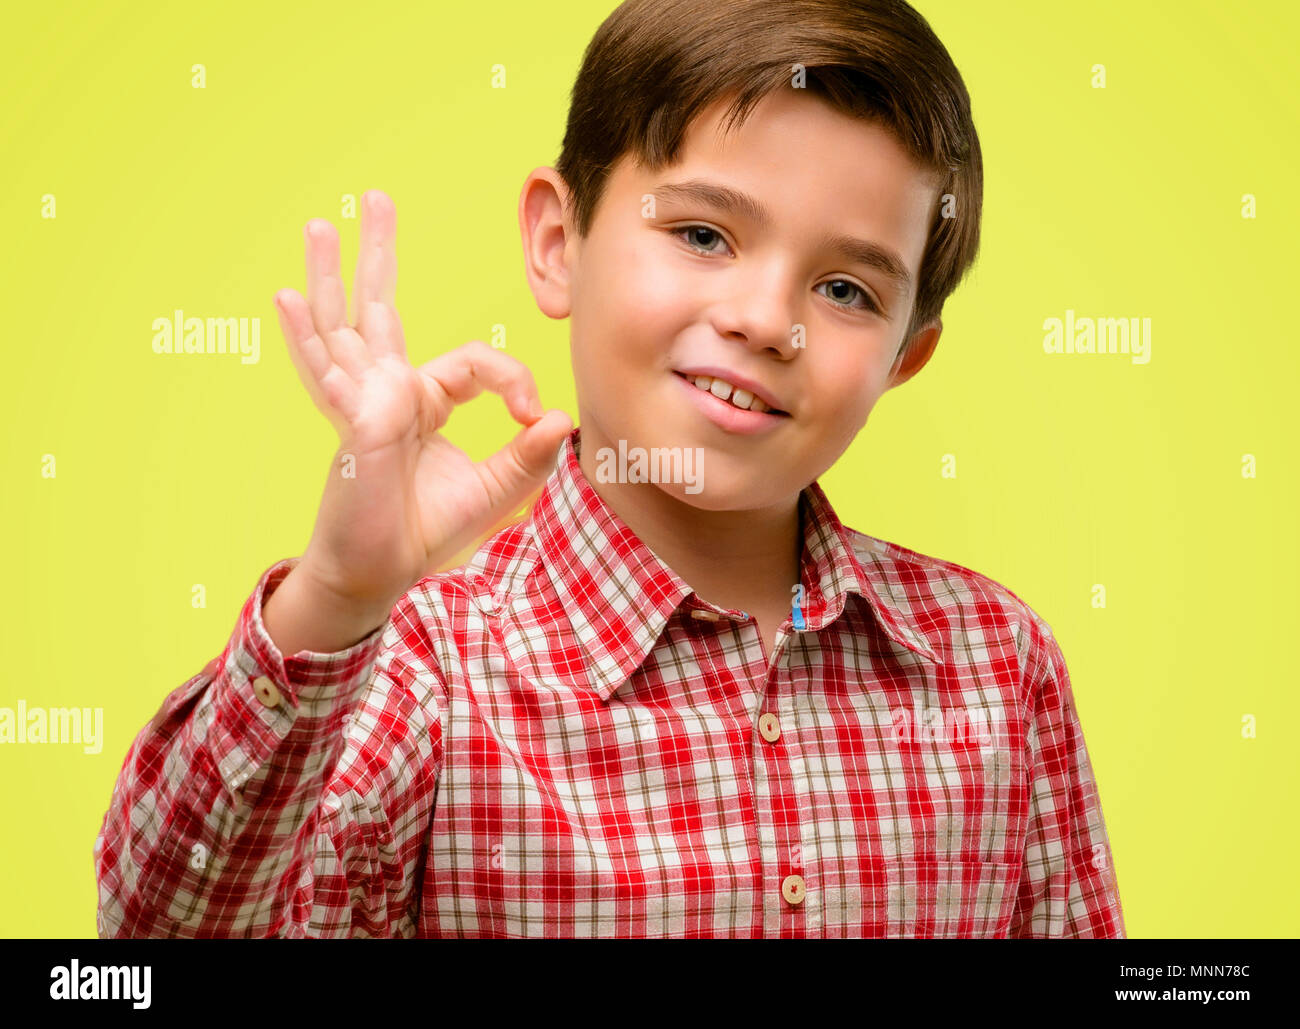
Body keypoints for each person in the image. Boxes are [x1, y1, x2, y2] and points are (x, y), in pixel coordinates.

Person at [95, 0, 1125, 938]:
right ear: (558, 241)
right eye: (702, 233)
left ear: (905, 356)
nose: (765, 320)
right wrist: (335, 595)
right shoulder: (417, 670)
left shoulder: (997, 664)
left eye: (847, 291)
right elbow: (155, 934)